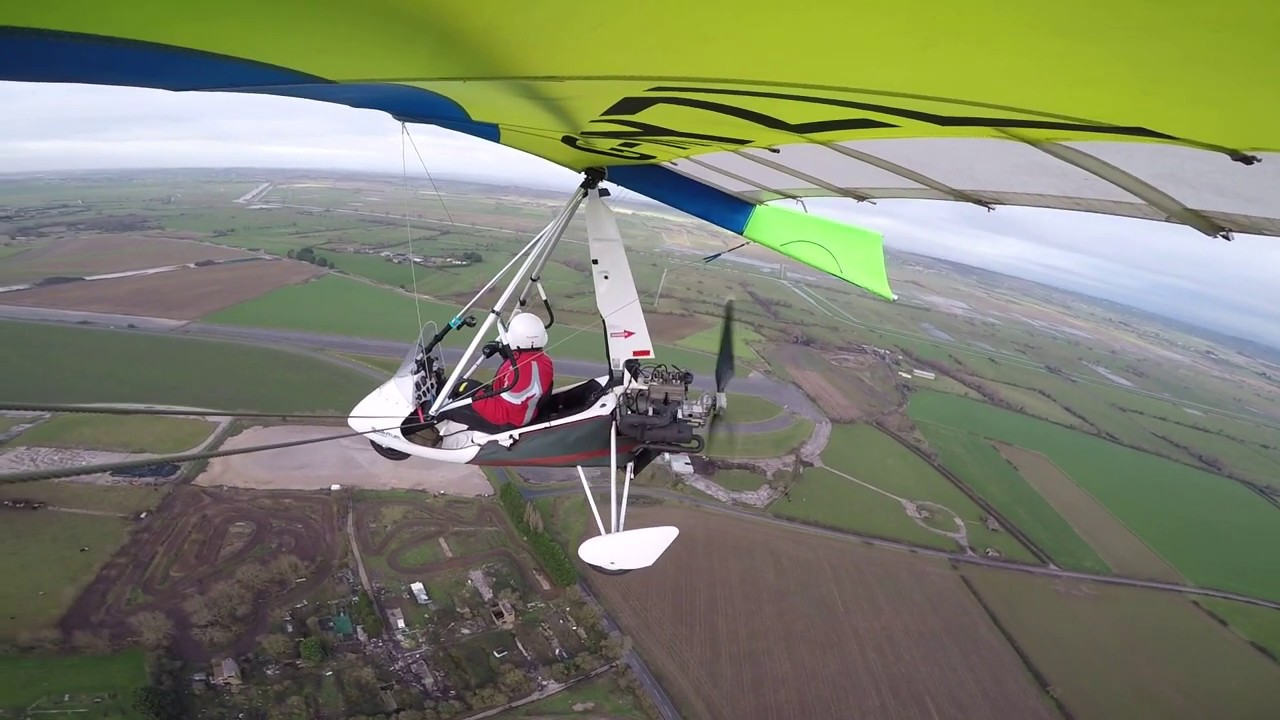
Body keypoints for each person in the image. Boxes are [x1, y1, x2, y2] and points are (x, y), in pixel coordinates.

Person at [422, 312, 554, 445]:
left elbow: (501, 414)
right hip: (517, 409)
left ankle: (414, 430)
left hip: (507, 423)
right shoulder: (542, 360)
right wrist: (502, 350)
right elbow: (522, 369)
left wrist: (471, 392)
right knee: (459, 386)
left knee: (447, 407)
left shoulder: (519, 374)